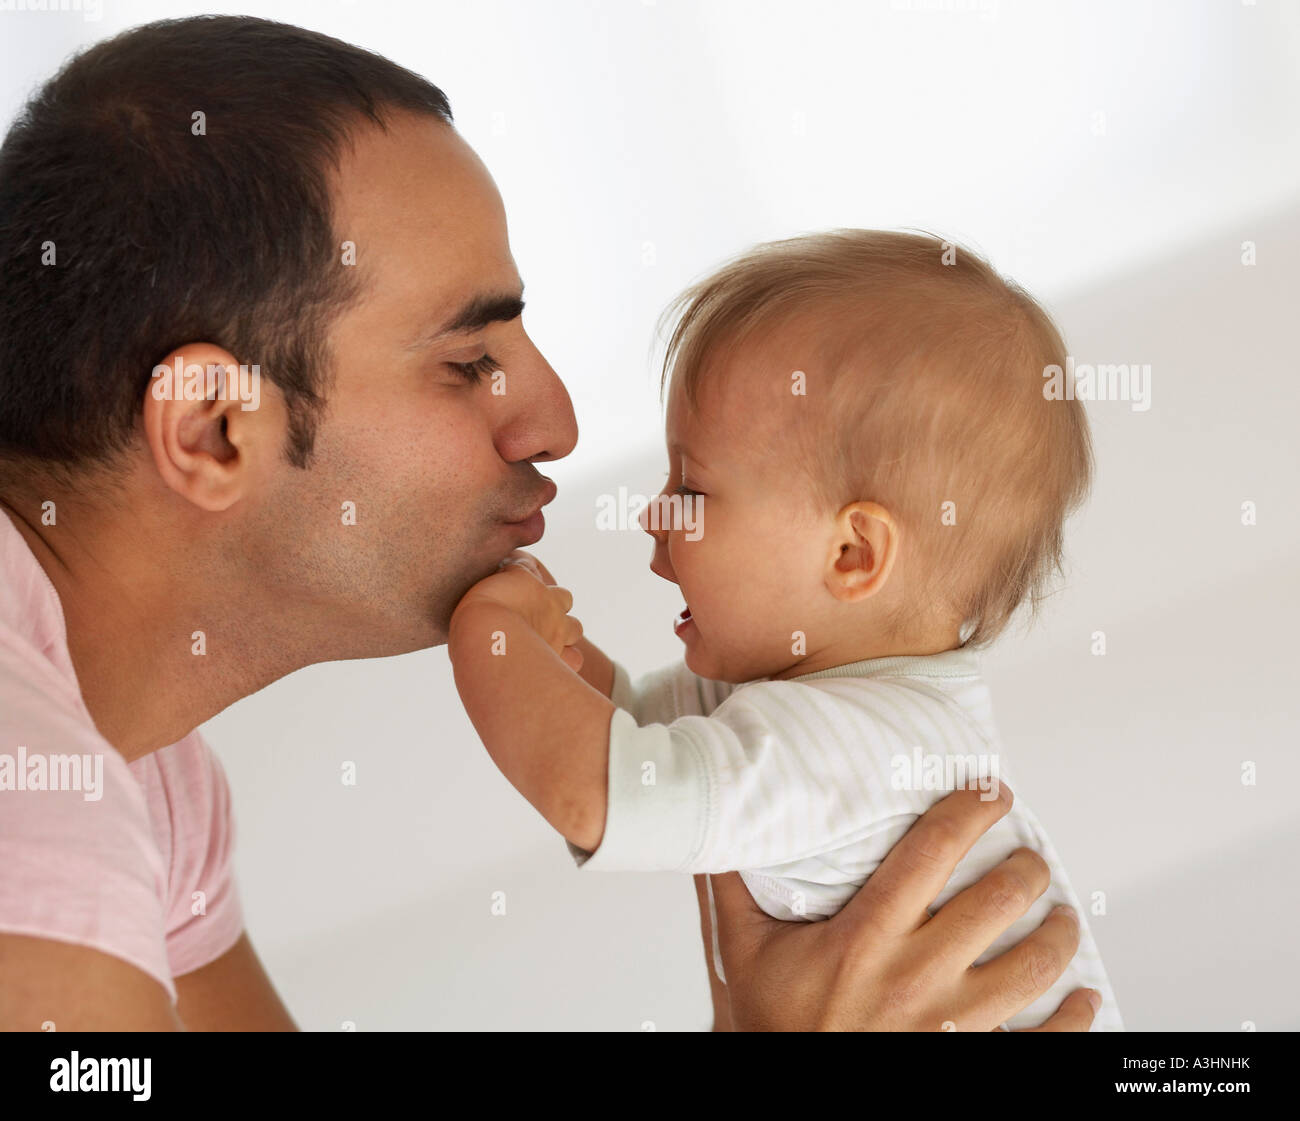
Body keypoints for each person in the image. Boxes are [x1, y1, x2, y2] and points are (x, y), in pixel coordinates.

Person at [0, 15, 1096, 1031]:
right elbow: (605, 781)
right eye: (469, 361)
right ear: (212, 428)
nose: (555, 422)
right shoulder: (35, 801)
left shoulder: (149, 786)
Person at [446, 230, 1122, 1030]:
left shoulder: (861, 743)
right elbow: (618, 723)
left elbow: (597, 791)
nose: (653, 514)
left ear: (852, 553)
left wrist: (485, 630)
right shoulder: (804, 693)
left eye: (690, 488)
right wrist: (540, 638)